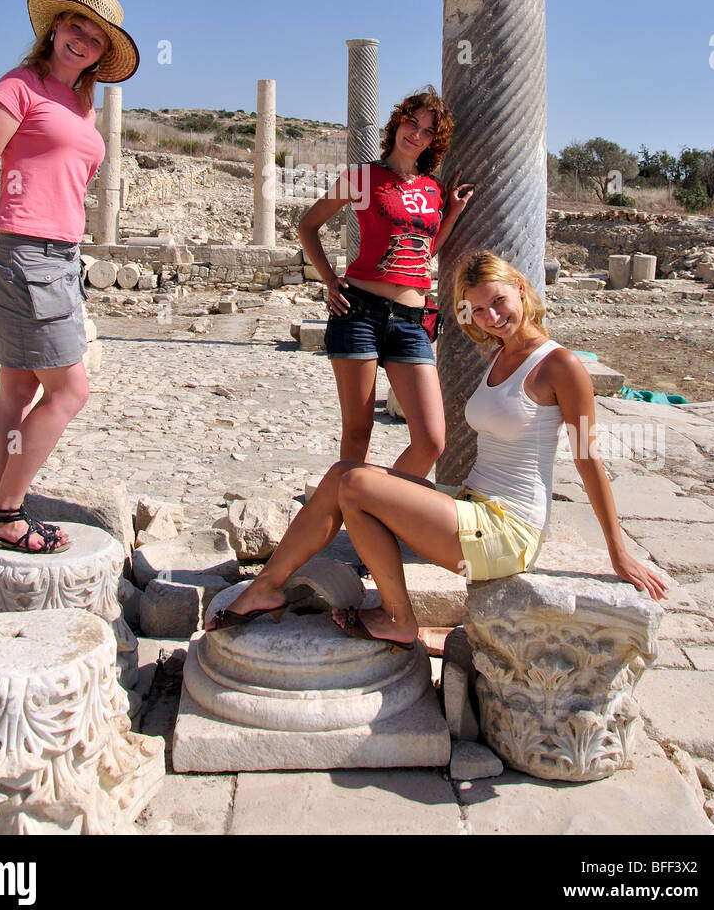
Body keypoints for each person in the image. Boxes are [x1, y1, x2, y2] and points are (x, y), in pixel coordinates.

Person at [206, 249, 667, 641]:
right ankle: (274, 587)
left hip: (509, 531)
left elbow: (588, 458)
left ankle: (396, 618)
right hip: (472, 507)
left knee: (355, 484)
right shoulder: (501, 356)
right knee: (341, 478)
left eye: (498, 302)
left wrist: (618, 551)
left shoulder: (560, 365)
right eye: (479, 310)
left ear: (521, 291)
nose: (492, 317)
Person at [0, 0, 139, 553]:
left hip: (57, 254)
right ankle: (6, 512)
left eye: (95, 39)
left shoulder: (81, 106)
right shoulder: (20, 85)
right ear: (54, 27)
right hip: (25, 252)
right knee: (70, 391)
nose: (82, 42)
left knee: (16, 386)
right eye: (76, 28)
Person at [297, 85, 473, 480]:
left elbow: (425, 252)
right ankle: (351, 514)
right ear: (397, 124)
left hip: (411, 321)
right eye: (412, 123)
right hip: (358, 312)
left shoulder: (434, 190)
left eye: (428, 131)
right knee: (358, 432)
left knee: (430, 440)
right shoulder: (362, 177)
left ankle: (376, 505)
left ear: (434, 141)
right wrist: (329, 279)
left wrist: (454, 213)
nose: (417, 134)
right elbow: (307, 225)